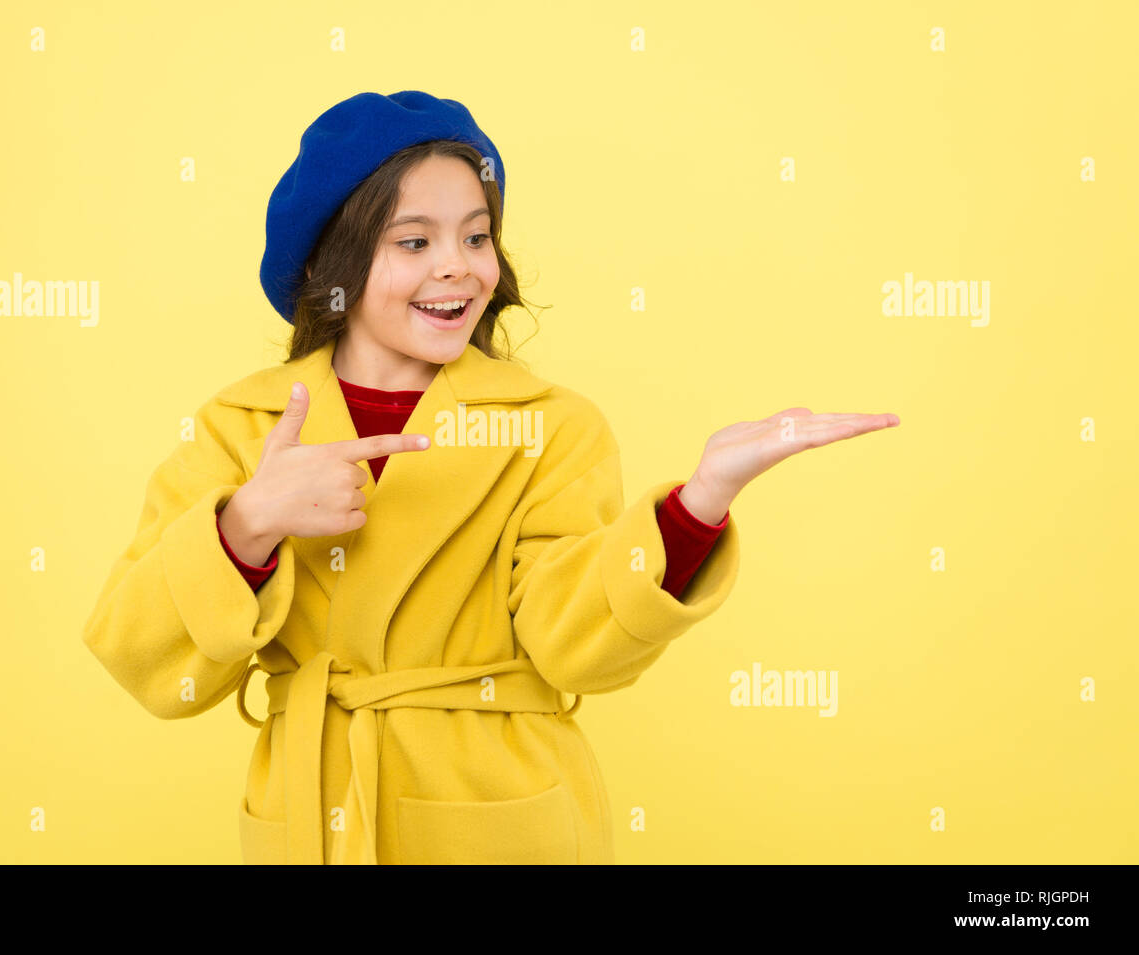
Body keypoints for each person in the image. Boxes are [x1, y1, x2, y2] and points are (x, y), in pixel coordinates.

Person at [80, 90, 900, 865]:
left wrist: (698, 504)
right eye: (415, 242)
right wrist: (245, 526)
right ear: (338, 261)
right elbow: (146, 660)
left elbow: (573, 642)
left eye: (477, 237)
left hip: (505, 813)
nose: (460, 269)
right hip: (313, 815)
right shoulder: (239, 427)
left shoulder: (551, 426)